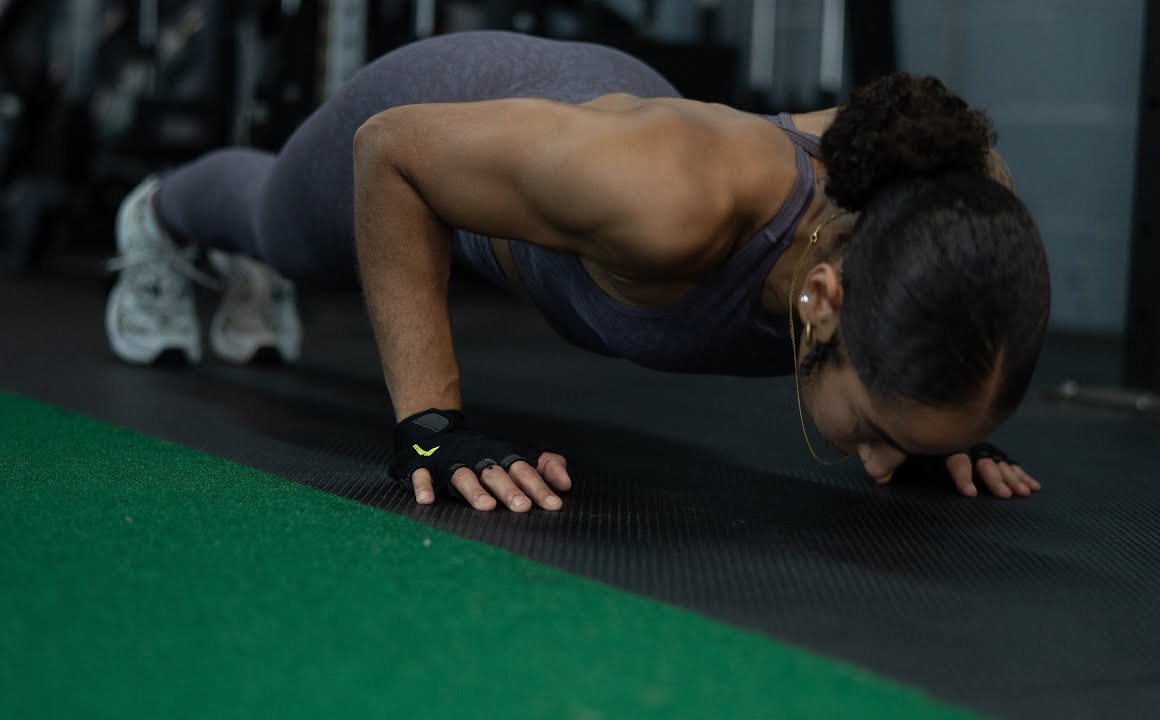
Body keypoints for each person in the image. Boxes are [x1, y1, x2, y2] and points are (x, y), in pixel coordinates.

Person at [104, 30, 1050, 513]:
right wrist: (430, 432)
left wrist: (935, 416)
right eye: (879, 430)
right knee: (285, 234)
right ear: (822, 298)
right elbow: (391, 152)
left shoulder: (945, 220)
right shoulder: (666, 205)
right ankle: (156, 214)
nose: (883, 464)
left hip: (587, 151)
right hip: (459, 108)